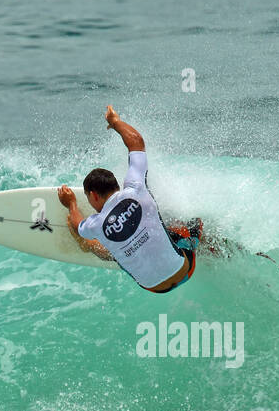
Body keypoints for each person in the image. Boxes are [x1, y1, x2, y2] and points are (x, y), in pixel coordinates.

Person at [57, 106, 201, 293]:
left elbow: (77, 225)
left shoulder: (95, 224)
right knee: (190, 225)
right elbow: (136, 142)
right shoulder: (136, 188)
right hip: (184, 270)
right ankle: (208, 246)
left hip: (152, 287)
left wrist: (71, 204)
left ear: (93, 195)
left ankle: (89, 247)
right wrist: (115, 122)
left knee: (108, 248)